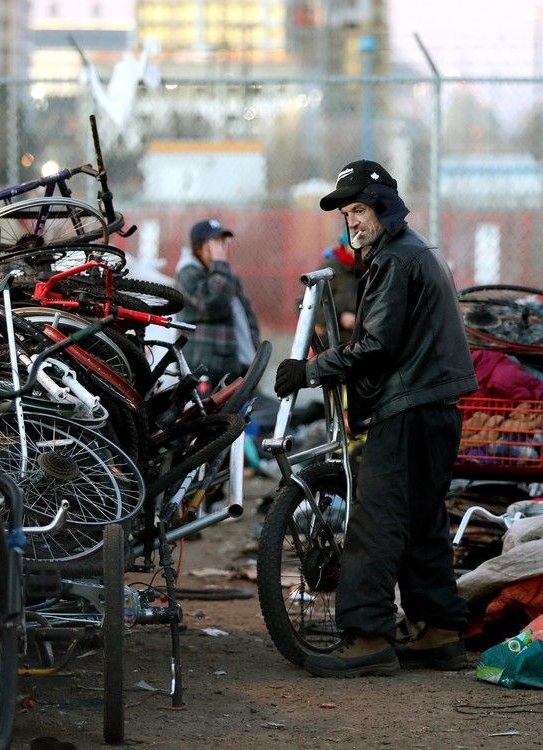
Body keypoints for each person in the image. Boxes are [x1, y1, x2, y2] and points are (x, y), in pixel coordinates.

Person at [274, 159, 478, 678]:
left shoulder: (395, 260)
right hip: (432, 407)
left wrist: (310, 369)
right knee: (421, 520)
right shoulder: (411, 253)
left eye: (360, 208)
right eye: (347, 211)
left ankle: (367, 637)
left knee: (376, 520)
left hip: (409, 406)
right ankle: (440, 633)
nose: (352, 221)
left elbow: (377, 347)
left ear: (385, 208)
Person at [176, 218, 261, 388]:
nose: (222, 247)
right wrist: (220, 264)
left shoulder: (223, 273)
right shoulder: (187, 272)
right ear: (199, 248)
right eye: (215, 242)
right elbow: (212, 305)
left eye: (223, 241)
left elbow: (245, 314)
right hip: (204, 367)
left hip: (235, 363)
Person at [315, 230, 358, 343]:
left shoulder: (372, 267)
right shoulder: (330, 269)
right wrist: (339, 318)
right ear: (345, 245)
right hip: (333, 340)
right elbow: (307, 305)